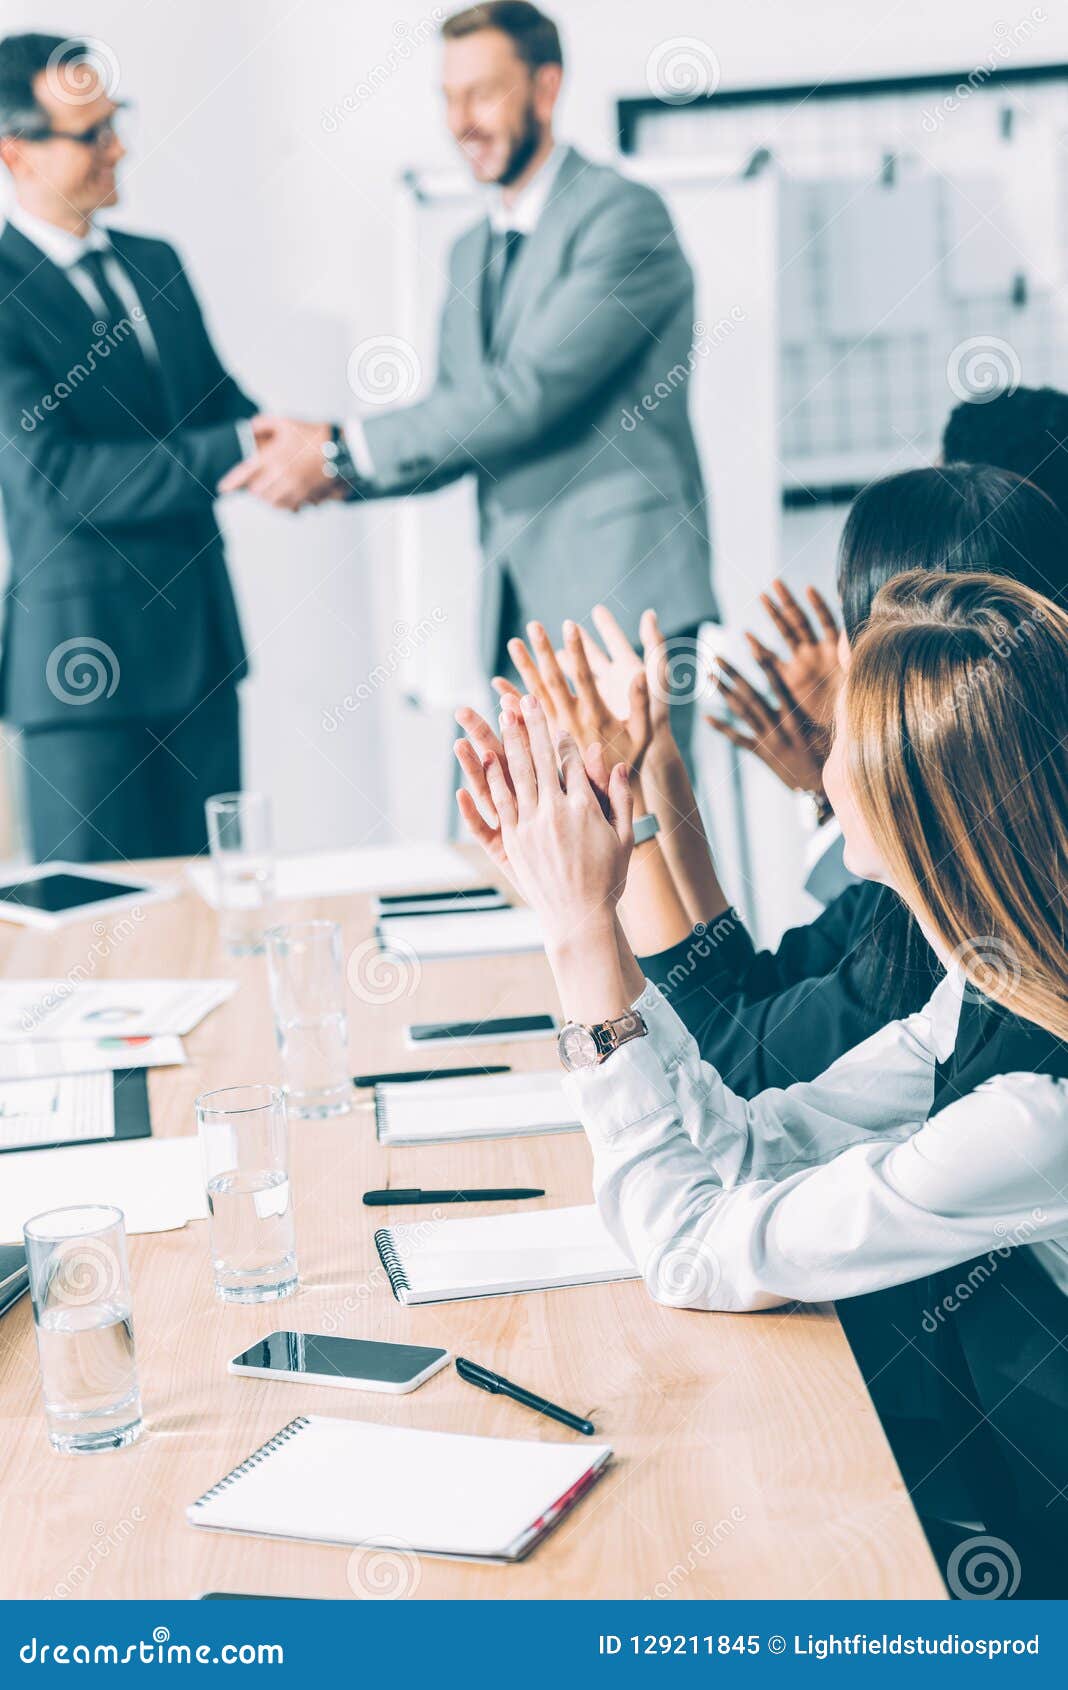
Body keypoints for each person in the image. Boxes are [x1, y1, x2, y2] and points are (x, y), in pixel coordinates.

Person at [458, 571, 1068, 1592]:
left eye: (844, 740)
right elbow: (746, 1142)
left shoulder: (1030, 1111)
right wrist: (589, 915)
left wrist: (577, 940)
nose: (819, 757)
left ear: (912, 806)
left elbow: (694, 1252)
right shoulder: (983, 987)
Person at [459, 464, 1068, 1093]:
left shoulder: (945, 918)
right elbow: (745, 994)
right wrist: (653, 759)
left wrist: (622, 819)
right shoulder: (973, 865)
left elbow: (726, 1063)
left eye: (855, 630)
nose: (841, 661)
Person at [221, 2, 716, 751]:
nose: (461, 121)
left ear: (545, 89)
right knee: (524, 854)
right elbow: (463, 421)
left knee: (641, 853)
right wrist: (327, 467)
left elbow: (525, 396)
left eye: (482, 93)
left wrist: (336, 445)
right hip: (519, 615)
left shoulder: (624, 217)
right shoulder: (466, 254)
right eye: (448, 97)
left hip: (622, 603)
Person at [0, 34, 256, 862]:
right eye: (91, 134)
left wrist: (330, 453)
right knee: (99, 948)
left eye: (117, 122)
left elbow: (223, 408)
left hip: (201, 655)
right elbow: (56, 479)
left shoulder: (157, 265)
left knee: (221, 918)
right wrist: (240, 447)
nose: (119, 147)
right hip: (83, 679)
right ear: (15, 152)